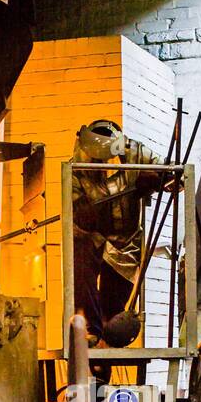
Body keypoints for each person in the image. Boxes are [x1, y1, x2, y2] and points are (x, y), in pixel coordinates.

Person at [70, 120, 161, 343]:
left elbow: (174, 178)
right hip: (91, 237)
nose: (101, 163)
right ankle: (91, 331)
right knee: (81, 272)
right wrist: (86, 211)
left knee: (112, 312)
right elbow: (74, 208)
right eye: (96, 158)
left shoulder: (136, 154)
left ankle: (103, 357)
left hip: (125, 244)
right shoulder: (76, 167)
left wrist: (157, 179)